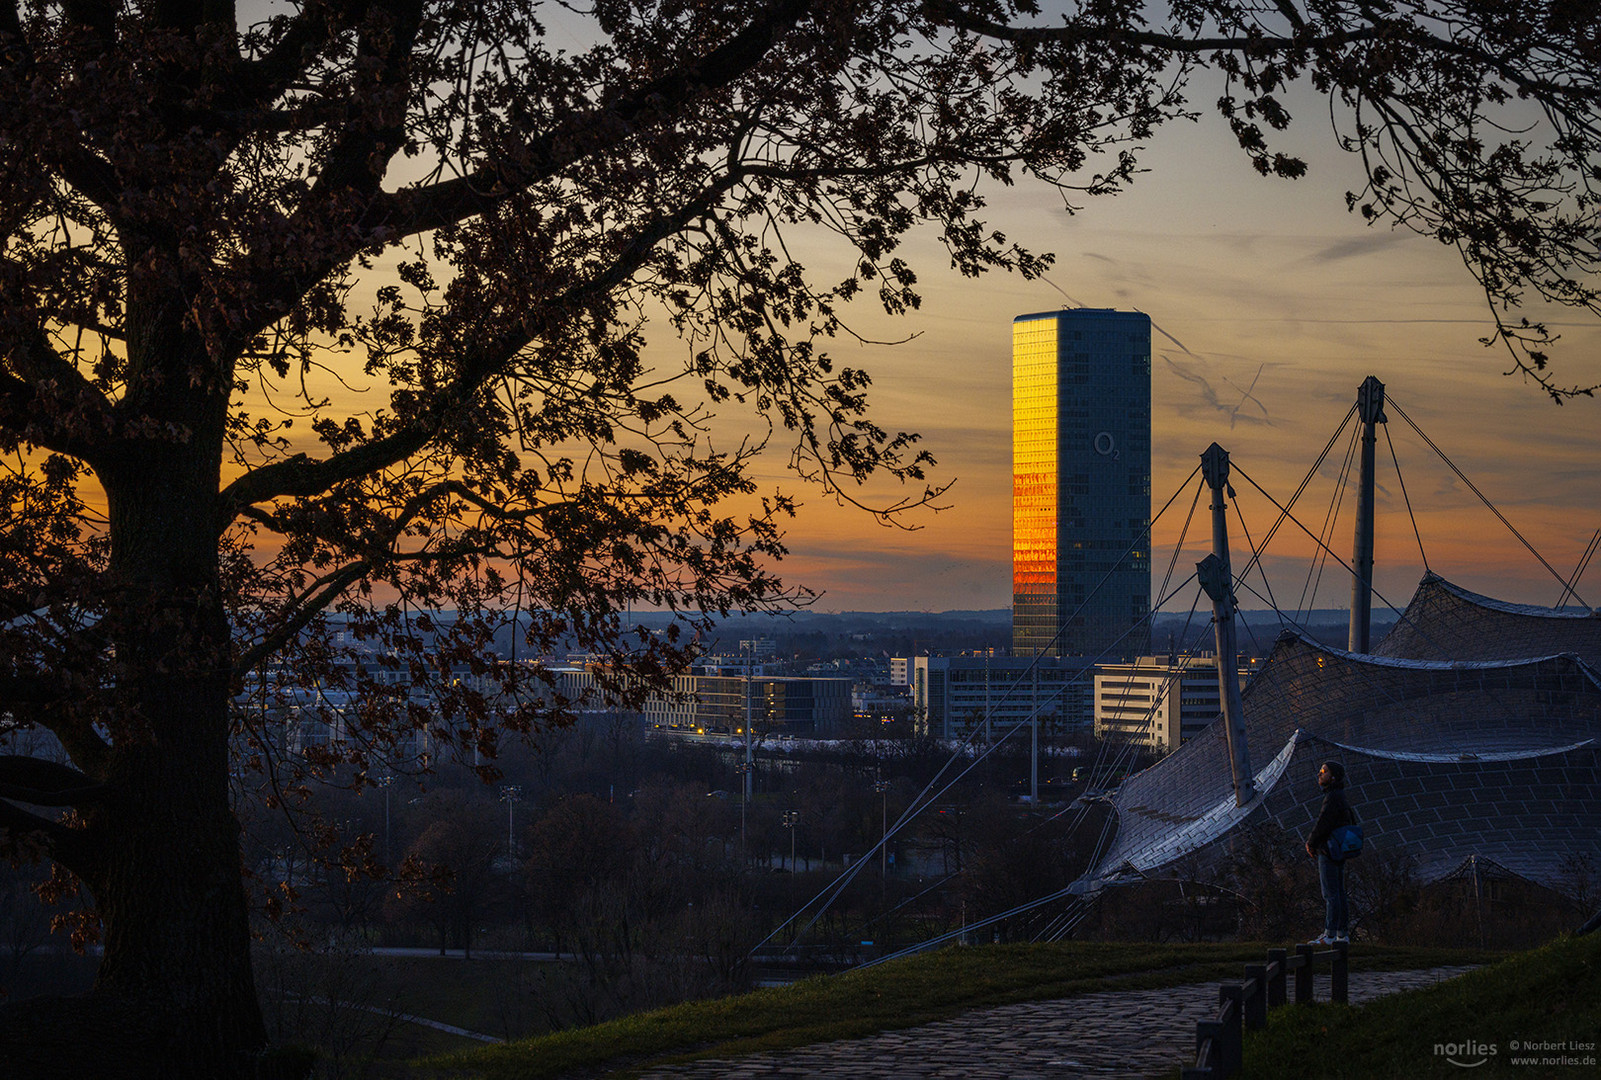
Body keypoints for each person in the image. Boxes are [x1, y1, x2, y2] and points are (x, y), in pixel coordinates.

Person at [1304, 760, 1355, 944]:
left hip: (1329, 851)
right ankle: (1342, 935)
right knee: (1339, 893)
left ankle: (1330, 934)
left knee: (1330, 894)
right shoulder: (1340, 796)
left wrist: (1311, 842)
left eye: (1323, 771)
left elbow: (1323, 823)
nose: (1320, 774)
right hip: (1338, 851)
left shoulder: (1333, 797)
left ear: (1333, 777)